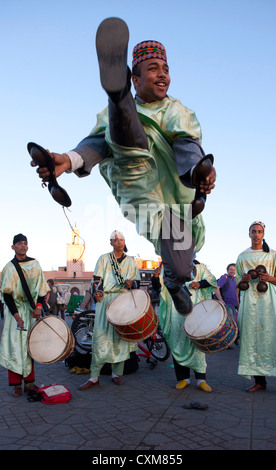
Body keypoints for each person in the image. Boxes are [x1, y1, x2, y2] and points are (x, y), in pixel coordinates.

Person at [31, 17, 216, 317]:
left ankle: (174, 282)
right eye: (153, 69)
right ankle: (118, 98)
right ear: (136, 78)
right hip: (137, 183)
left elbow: (188, 147)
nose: (162, 75)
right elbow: (96, 144)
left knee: (182, 268)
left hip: (176, 204)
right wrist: (67, 160)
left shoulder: (177, 112)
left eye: (166, 69)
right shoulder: (111, 118)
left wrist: (200, 172)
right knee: (128, 145)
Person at [79, 230, 141, 390]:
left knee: (120, 338)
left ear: (124, 242)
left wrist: (130, 284)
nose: (119, 242)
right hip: (105, 300)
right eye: (115, 240)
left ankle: (116, 374)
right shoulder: (104, 259)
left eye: (121, 239)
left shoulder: (130, 262)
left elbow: (137, 283)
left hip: (123, 301)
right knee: (100, 336)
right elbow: (97, 279)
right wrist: (97, 292)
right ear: (111, 243)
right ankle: (94, 376)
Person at [153, 261, 217, 392]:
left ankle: (201, 379)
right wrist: (155, 277)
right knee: (178, 342)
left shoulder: (199, 267)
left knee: (197, 343)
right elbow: (157, 287)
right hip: (175, 312)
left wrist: (199, 284)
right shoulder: (168, 267)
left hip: (195, 310)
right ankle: (183, 378)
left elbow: (212, 281)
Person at [0, 234, 49, 397]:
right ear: (13, 247)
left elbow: (42, 290)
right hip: (15, 312)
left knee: (29, 346)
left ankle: (29, 383)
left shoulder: (35, 265)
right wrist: (17, 317)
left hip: (31, 312)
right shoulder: (8, 268)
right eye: (19, 243)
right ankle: (16, 385)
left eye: (25, 243)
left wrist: (39, 307)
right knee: (15, 346)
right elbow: (6, 295)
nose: (23, 246)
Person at [235, 221, 276, 392]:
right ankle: (260, 382)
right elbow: (238, 281)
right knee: (252, 338)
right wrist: (243, 280)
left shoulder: (272, 255)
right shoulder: (243, 257)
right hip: (250, 303)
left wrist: (270, 279)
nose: (256, 234)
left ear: (263, 234)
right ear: (249, 234)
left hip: (269, 303)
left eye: (259, 231)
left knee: (271, 337)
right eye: (254, 231)